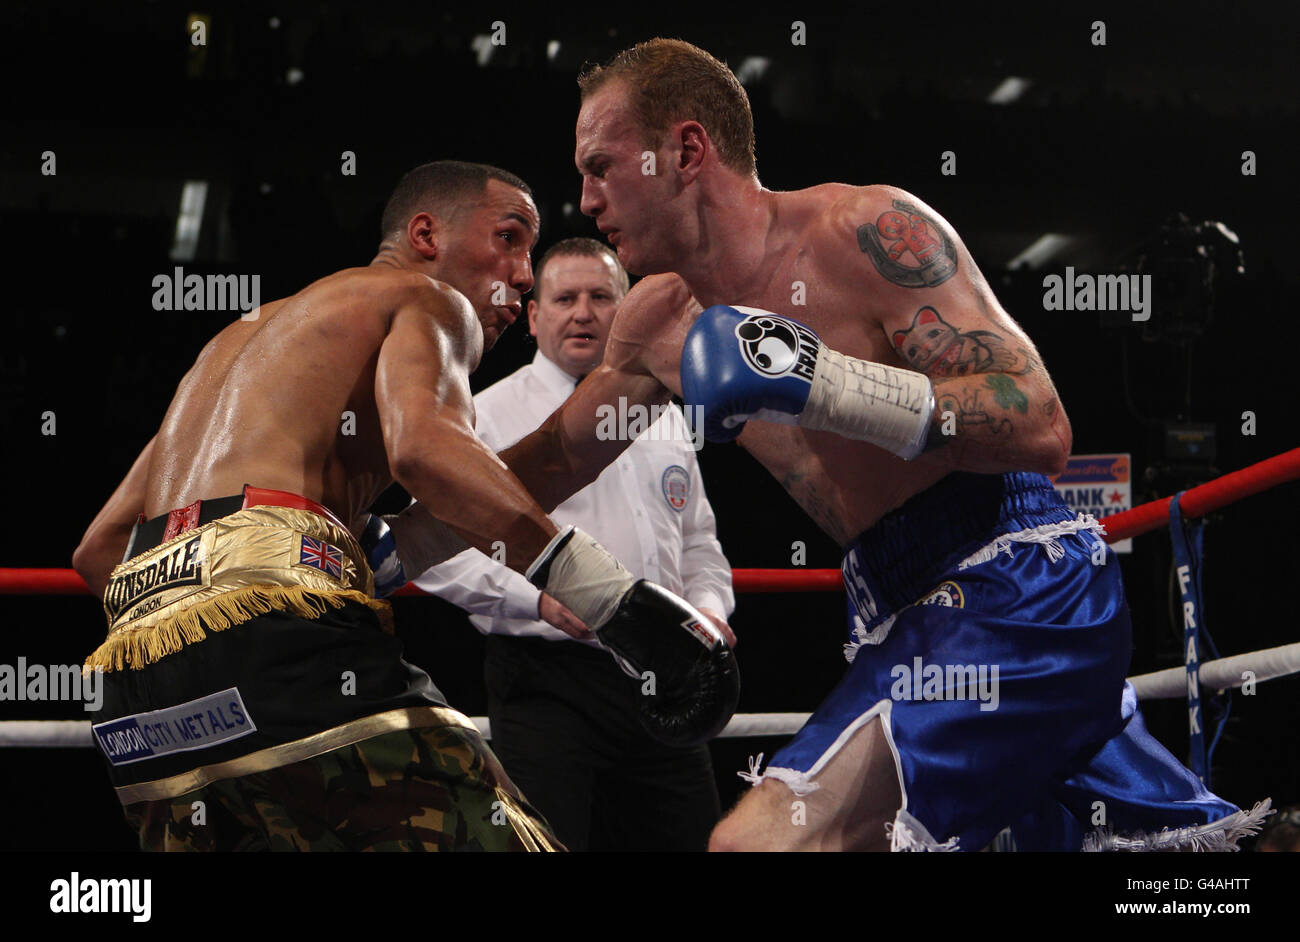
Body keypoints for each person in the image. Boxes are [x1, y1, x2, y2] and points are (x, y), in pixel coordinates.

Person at [494, 39, 1271, 851]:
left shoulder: (865, 230)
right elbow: (543, 466)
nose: (584, 199)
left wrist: (823, 381)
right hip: (894, 605)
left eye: (601, 166)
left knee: (760, 844)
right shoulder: (656, 324)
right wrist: (390, 531)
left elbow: (1040, 425)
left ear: (685, 151)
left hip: (1011, 577)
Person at [72, 159, 735, 852]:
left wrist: (311, 571)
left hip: (140, 685)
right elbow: (424, 450)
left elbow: (101, 548)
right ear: (426, 235)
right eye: (510, 238)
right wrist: (610, 601)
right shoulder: (425, 298)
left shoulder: (236, 346)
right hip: (276, 630)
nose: (526, 273)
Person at [415, 237, 734, 851]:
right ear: (535, 318)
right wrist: (532, 599)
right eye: (564, 298)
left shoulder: (663, 412)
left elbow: (698, 541)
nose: (583, 312)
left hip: (662, 669)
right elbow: (434, 552)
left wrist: (709, 613)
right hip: (546, 685)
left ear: (625, 315)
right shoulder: (487, 414)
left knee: (692, 840)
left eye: (600, 297)